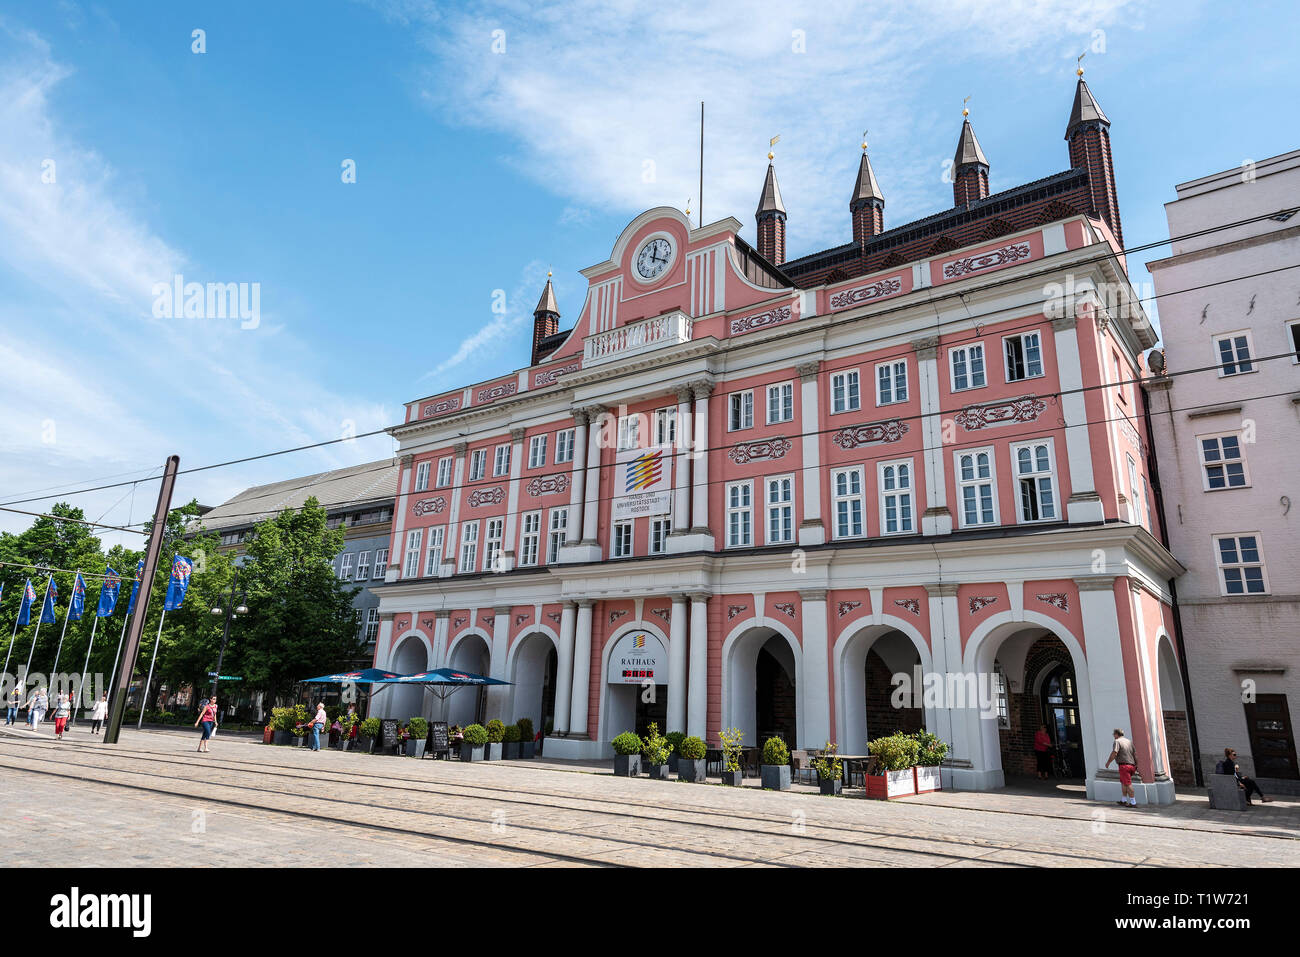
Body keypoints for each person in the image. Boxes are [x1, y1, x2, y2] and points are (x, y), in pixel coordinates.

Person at [1104, 728, 1139, 806]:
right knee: (1124, 783)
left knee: (1128, 783)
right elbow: (1135, 754)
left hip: (1124, 766)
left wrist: (1108, 762)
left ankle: (1133, 802)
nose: (1113, 735)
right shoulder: (1129, 741)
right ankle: (1123, 800)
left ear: (1117, 734)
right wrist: (1136, 764)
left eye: (1114, 734)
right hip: (1131, 765)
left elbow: (1114, 753)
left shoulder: (1117, 741)